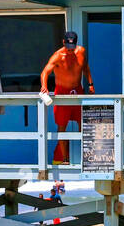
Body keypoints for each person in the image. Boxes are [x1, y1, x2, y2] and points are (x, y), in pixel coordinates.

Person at [39, 29, 95, 164]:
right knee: (61, 126)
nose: (70, 50)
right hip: (62, 93)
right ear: (63, 42)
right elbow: (45, 72)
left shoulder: (81, 51)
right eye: (68, 47)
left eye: (72, 47)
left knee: (84, 124)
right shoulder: (57, 56)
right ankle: (65, 159)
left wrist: (91, 83)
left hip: (78, 91)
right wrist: (44, 86)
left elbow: (85, 67)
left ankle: (87, 157)